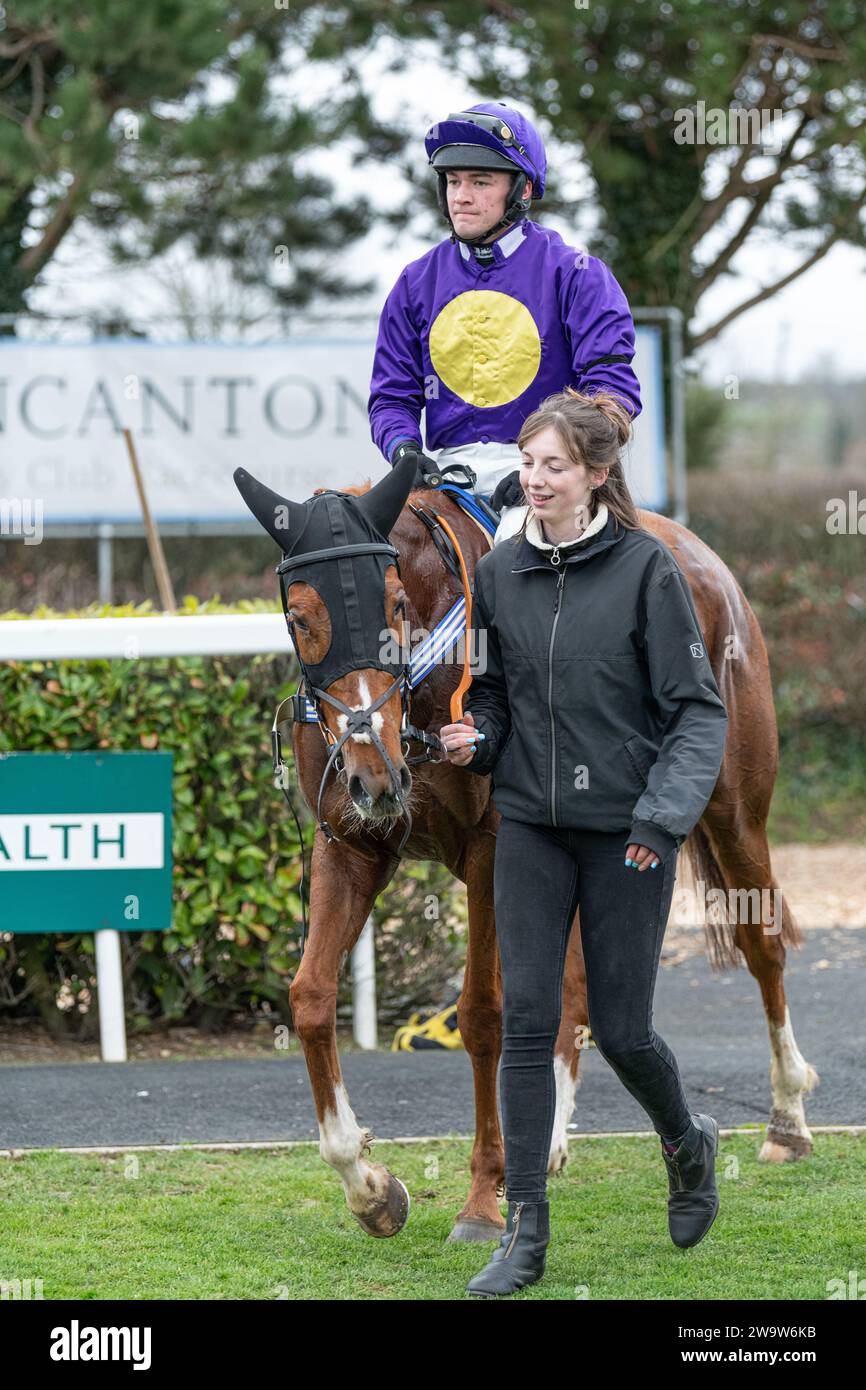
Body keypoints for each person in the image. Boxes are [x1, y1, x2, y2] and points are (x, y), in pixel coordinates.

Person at [439, 387, 729, 1298]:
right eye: (527, 466)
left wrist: (658, 822)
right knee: (527, 1024)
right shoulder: (497, 573)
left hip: (628, 836)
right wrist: (477, 739)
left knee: (623, 1028)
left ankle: (687, 1146)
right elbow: (490, 700)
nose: (535, 480)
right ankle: (524, 1235)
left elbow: (696, 715)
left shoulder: (647, 570)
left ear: (596, 475)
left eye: (553, 466)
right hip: (528, 827)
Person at [367, 100, 642, 539]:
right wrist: (404, 451)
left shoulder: (578, 275)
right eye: (453, 181)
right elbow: (392, 397)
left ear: (523, 190)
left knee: (511, 559)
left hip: (553, 476)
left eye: (480, 181)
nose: (461, 196)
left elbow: (612, 392)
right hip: (446, 478)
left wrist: (547, 467)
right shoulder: (415, 282)